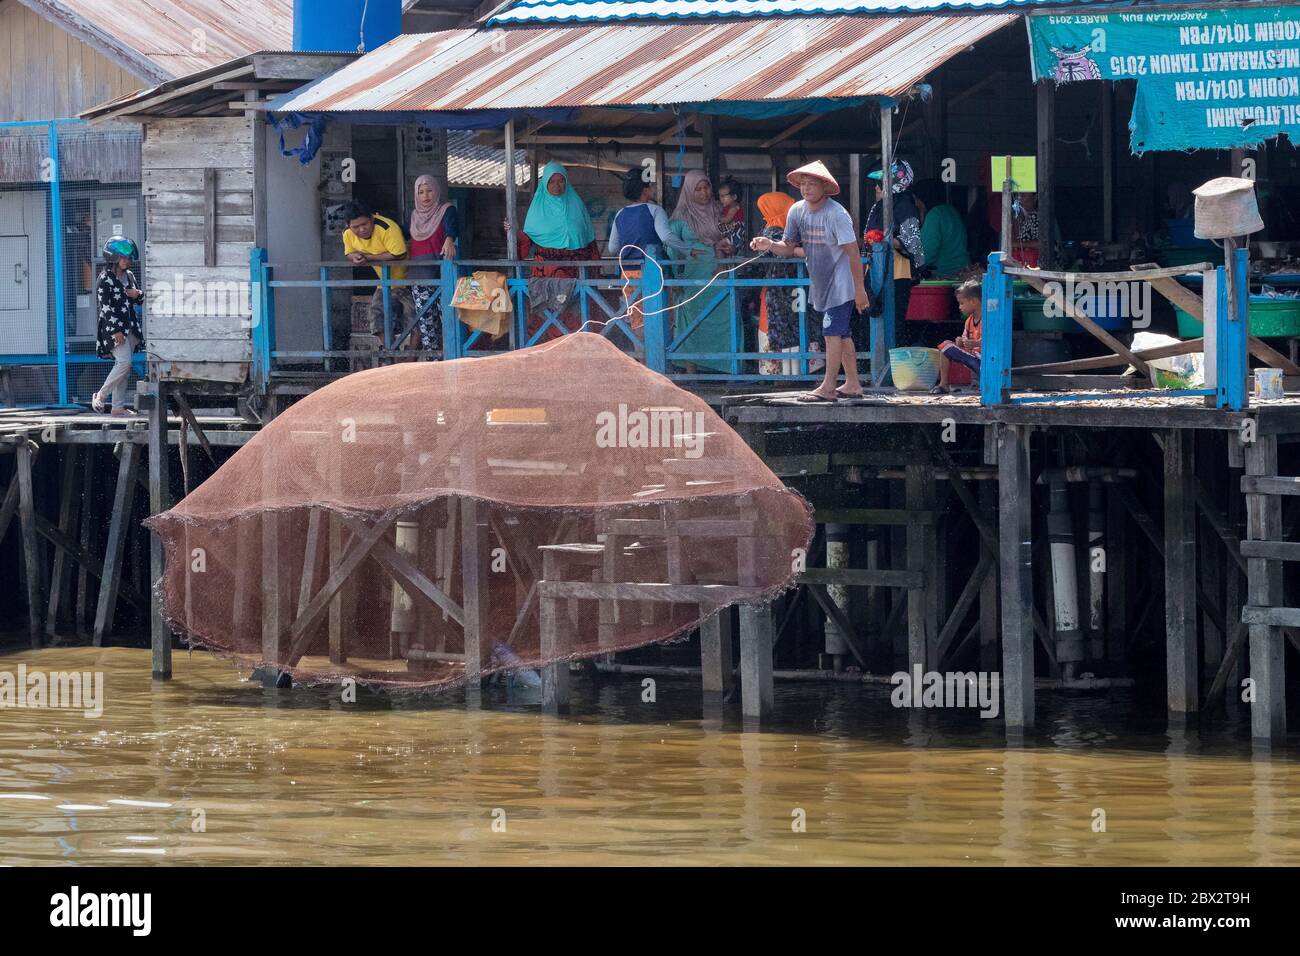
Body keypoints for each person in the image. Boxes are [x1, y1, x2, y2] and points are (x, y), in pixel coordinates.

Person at [750, 160, 869, 402]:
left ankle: (828, 386)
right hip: (820, 281)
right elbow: (788, 247)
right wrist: (770, 244)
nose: (806, 189)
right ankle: (853, 384)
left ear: (825, 187)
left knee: (831, 331)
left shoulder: (837, 214)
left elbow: (853, 252)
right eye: (803, 184)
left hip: (841, 280)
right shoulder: (796, 211)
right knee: (842, 334)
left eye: (812, 184)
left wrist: (860, 290)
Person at [511, 161, 600, 341]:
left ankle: (577, 351)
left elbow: (590, 242)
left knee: (576, 316)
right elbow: (523, 244)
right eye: (552, 182)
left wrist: (595, 272)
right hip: (547, 273)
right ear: (545, 184)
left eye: (561, 181)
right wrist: (512, 233)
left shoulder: (577, 206)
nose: (557, 186)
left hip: (576, 272)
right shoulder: (537, 211)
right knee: (546, 316)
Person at [607, 168, 690, 333]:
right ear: (645, 190)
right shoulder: (655, 210)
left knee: (637, 322)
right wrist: (689, 249)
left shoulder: (620, 214)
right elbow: (666, 237)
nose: (652, 188)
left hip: (629, 276)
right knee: (662, 320)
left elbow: (612, 248)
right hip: (653, 274)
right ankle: (661, 358)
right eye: (650, 185)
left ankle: (640, 358)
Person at [668, 169, 732, 374]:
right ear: (688, 191)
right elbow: (671, 249)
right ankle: (691, 372)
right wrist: (674, 278)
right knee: (691, 321)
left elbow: (733, 236)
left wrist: (731, 248)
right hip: (692, 278)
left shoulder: (718, 211)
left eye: (706, 188)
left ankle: (727, 369)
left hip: (719, 275)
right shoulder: (680, 216)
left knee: (725, 318)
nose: (704, 193)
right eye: (698, 189)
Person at [753, 191, 821, 377]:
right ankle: (807, 373)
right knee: (804, 325)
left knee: (778, 329)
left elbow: (760, 262)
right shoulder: (799, 229)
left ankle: (780, 378)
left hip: (776, 292)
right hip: (800, 289)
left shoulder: (770, 233)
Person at [341, 200, 414, 346]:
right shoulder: (348, 234)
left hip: (411, 279)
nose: (361, 230)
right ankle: (392, 354)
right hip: (386, 283)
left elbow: (399, 254)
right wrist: (354, 257)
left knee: (415, 319)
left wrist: (368, 258)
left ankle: (411, 357)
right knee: (376, 318)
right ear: (348, 226)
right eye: (356, 227)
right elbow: (349, 252)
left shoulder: (387, 227)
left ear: (372, 218)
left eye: (365, 224)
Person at [865, 160, 925, 324]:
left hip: (898, 272)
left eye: (880, 183)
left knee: (894, 322)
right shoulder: (878, 207)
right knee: (871, 319)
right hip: (874, 269)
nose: (876, 187)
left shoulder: (905, 205)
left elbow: (912, 242)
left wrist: (885, 239)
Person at [91, 236, 143, 416]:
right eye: (123, 258)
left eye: (128, 258)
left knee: (125, 369)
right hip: (114, 330)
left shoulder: (129, 276)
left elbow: (141, 298)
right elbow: (104, 308)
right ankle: (101, 395)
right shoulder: (104, 279)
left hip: (131, 328)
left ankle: (117, 408)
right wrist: (116, 331)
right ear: (113, 258)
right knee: (124, 362)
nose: (126, 261)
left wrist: (137, 293)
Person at [407, 175, 458, 355]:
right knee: (426, 321)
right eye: (421, 192)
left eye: (429, 190)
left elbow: (453, 228)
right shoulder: (413, 216)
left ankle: (452, 356)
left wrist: (450, 239)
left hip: (443, 274)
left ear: (436, 191)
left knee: (449, 317)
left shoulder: (446, 210)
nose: (425, 195)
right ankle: (433, 360)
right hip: (419, 276)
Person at [932, 279, 982, 394]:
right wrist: (961, 342)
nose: (960, 307)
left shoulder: (988, 318)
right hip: (974, 360)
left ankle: (944, 385)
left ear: (974, 301)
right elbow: (966, 341)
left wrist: (976, 343)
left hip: (986, 362)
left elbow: (994, 342)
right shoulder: (969, 321)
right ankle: (943, 384)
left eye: (962, 303)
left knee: (946, 346)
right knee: (945, 347)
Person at [913, 179, 970, 279]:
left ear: (924, 197)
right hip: (963, 270)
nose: (916, 204)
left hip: (945, 275)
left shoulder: (934, 215)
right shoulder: (951, 211)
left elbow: (927, 253)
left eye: (917, 199)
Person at [717, 176, 745, 255]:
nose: (720, 199)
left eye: (723, 196)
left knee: (718, 246)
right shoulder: (726, 207)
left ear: (734, 197)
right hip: (729, 232)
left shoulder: (734, 207)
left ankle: (720, 267)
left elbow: (727, 219)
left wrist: (717, 217)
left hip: (735, 233)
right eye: (720, 196)